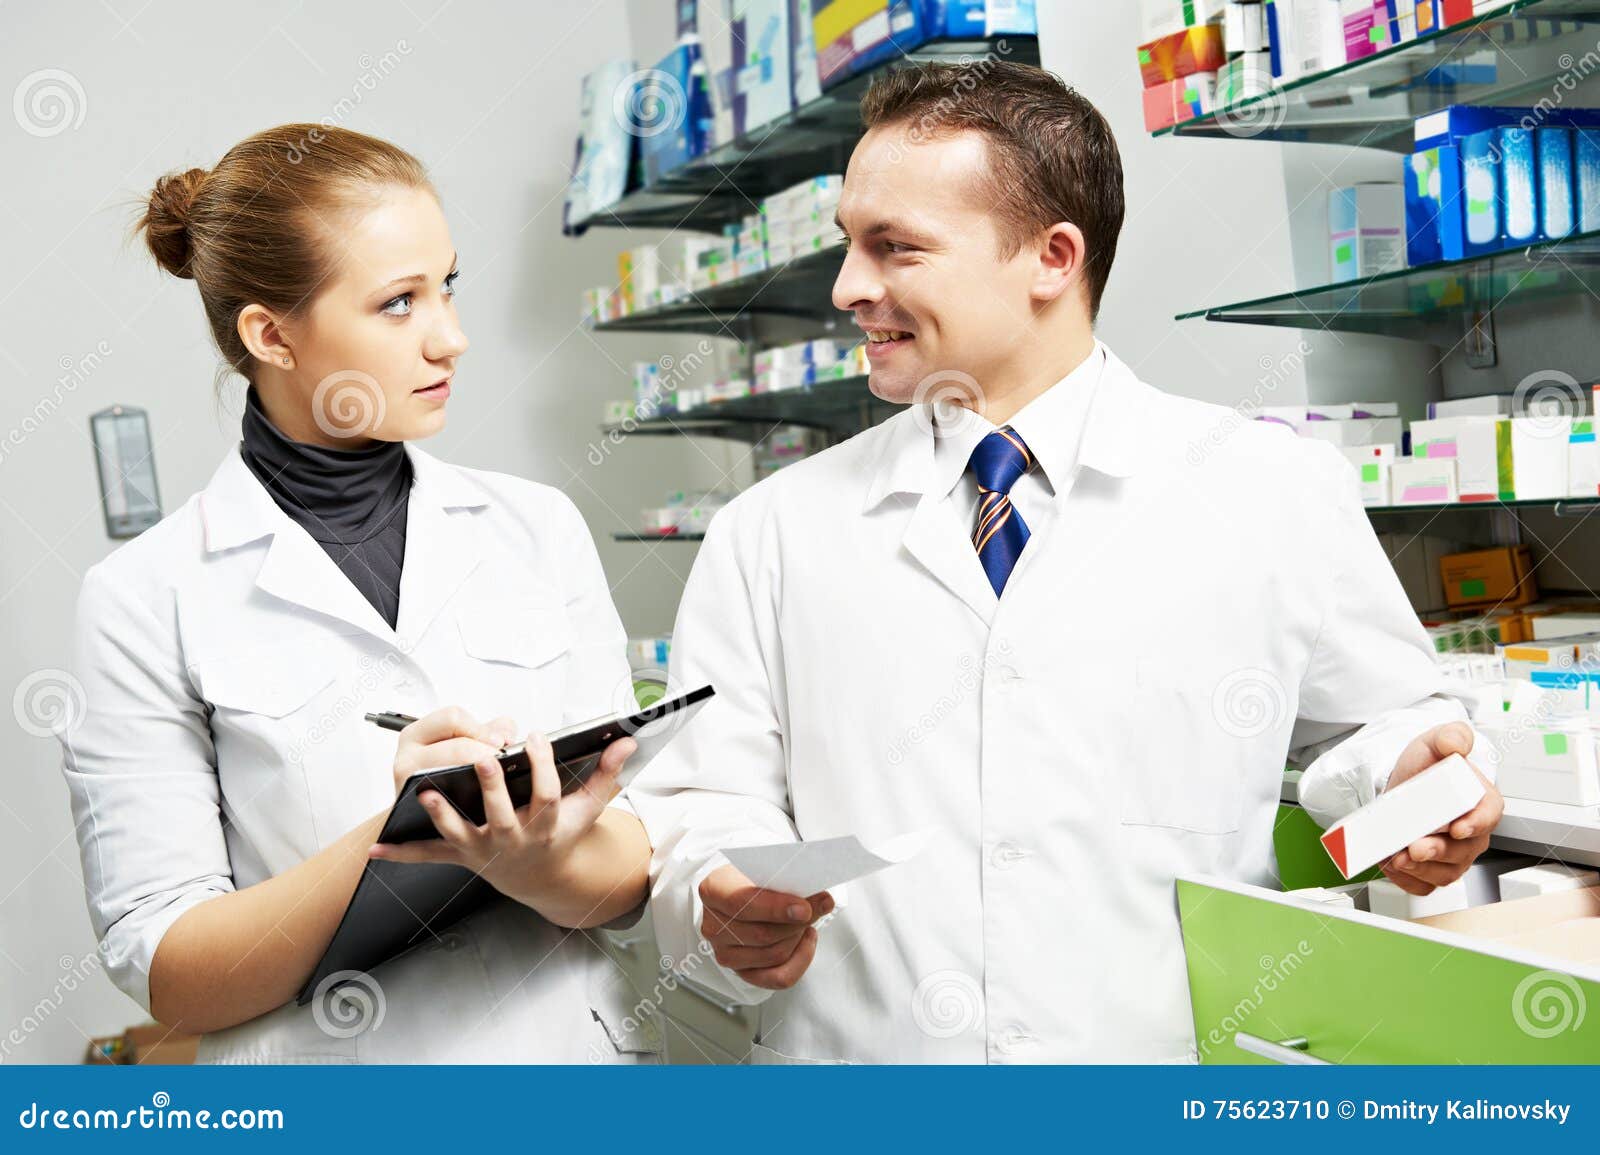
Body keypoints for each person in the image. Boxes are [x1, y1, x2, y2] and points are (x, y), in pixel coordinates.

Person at [625, 62, 1505, 1063]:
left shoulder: (1267, 487)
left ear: (1051, 257)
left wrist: (1408, 781)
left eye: (895, 248)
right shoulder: (772, 529)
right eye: (846, 245)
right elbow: (699, 797)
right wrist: (717, 888)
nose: (848, 288)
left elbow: (1382, 726)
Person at [58, 124, 657, 1063]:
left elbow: (629, 874)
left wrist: (534, 855)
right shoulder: (144, 596)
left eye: (448, 285)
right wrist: (405, 831)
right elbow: (172, 971)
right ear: (272, 333)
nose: (451, 337)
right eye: (398, 302)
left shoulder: (536, 527)